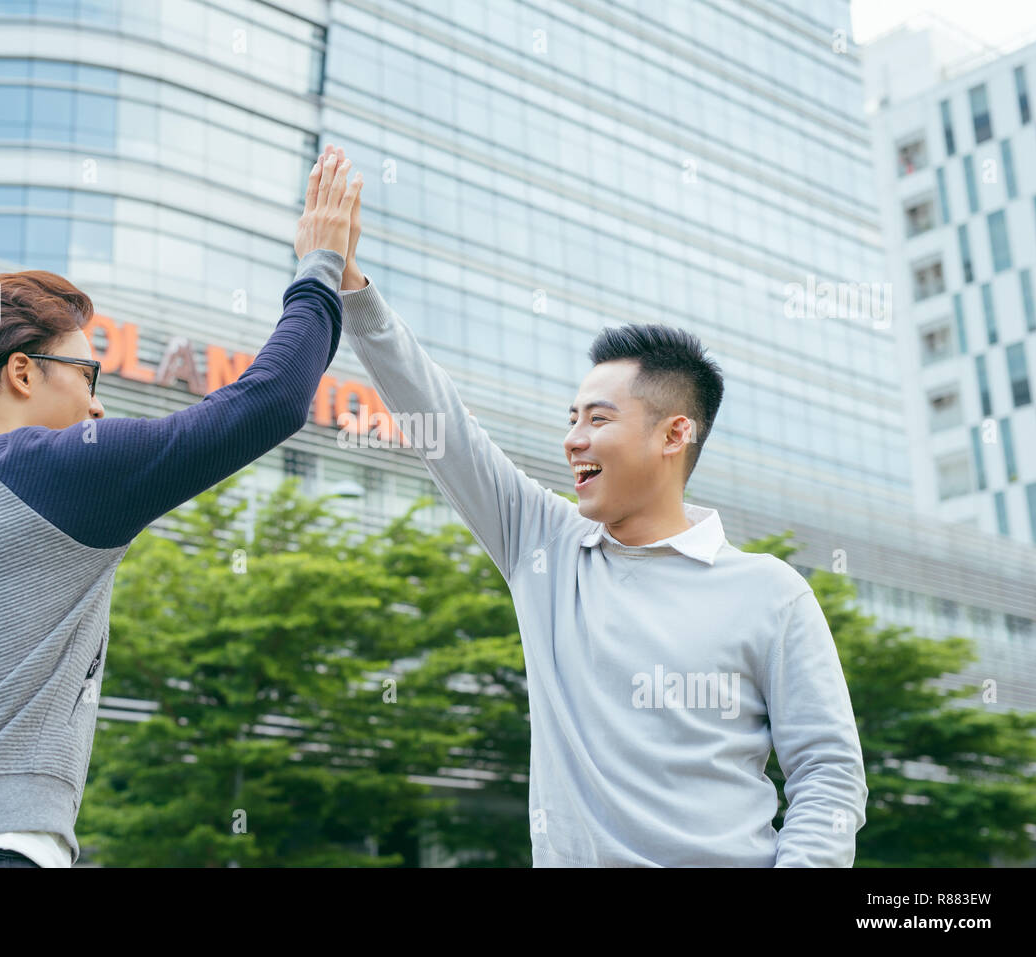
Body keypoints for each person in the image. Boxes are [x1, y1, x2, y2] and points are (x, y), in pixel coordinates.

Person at [0, 149, 363, 868]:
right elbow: (268, 402)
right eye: (86, 372)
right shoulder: (49, 469)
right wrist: (319, 268)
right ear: (22, 371)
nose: (97, 401)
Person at [331, 145, 868, 866]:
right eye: (571, 417)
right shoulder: (542, 545)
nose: (572, 439)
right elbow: (442, 425)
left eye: (598, 419)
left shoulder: (771, 593)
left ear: (675, 432)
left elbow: (830, 777)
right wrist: (351, 289)